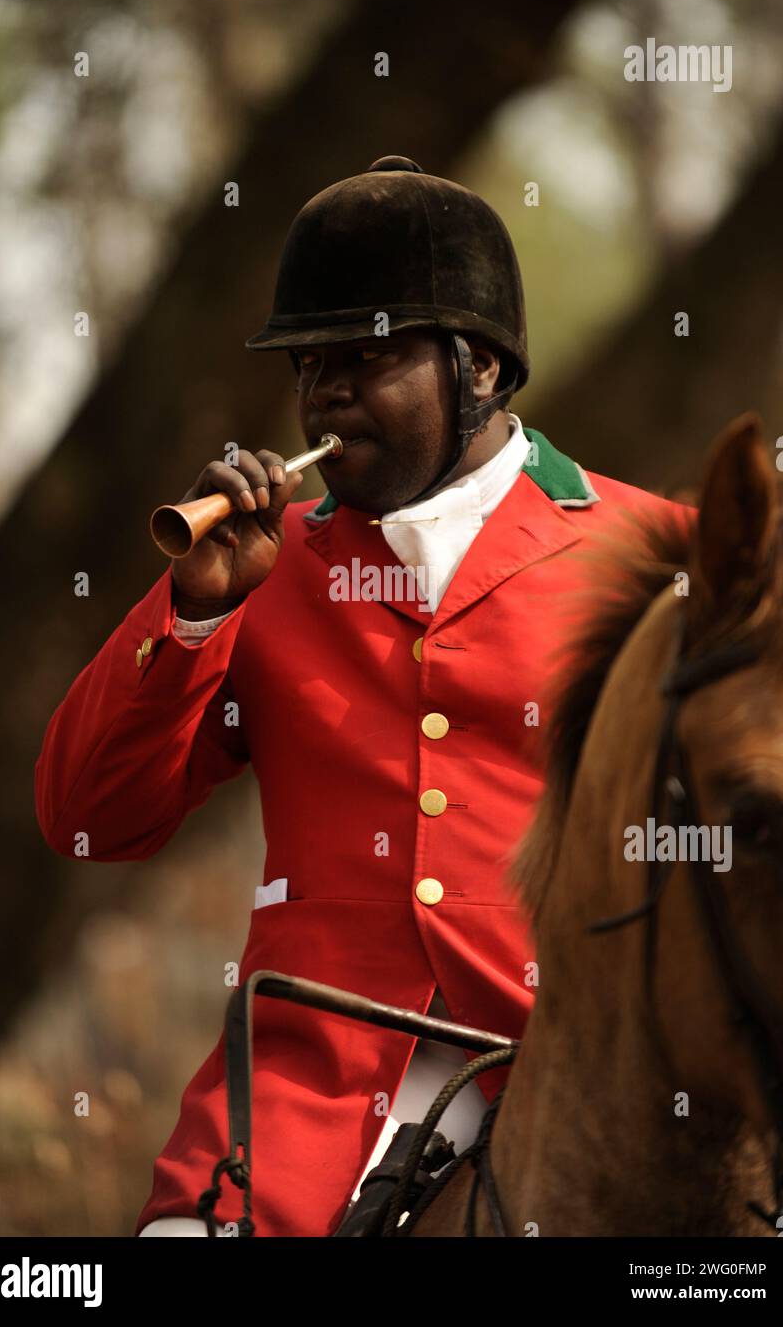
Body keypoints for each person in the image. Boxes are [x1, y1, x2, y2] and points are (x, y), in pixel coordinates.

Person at [35, 155, 684, 1237]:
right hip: (298, 1104)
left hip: (582, 1074)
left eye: (368, 358)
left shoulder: (657, 552)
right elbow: (88, 819)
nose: (326, 392)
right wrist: (191, 616)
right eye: (310, 365)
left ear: (475, 366)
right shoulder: (260, 560)